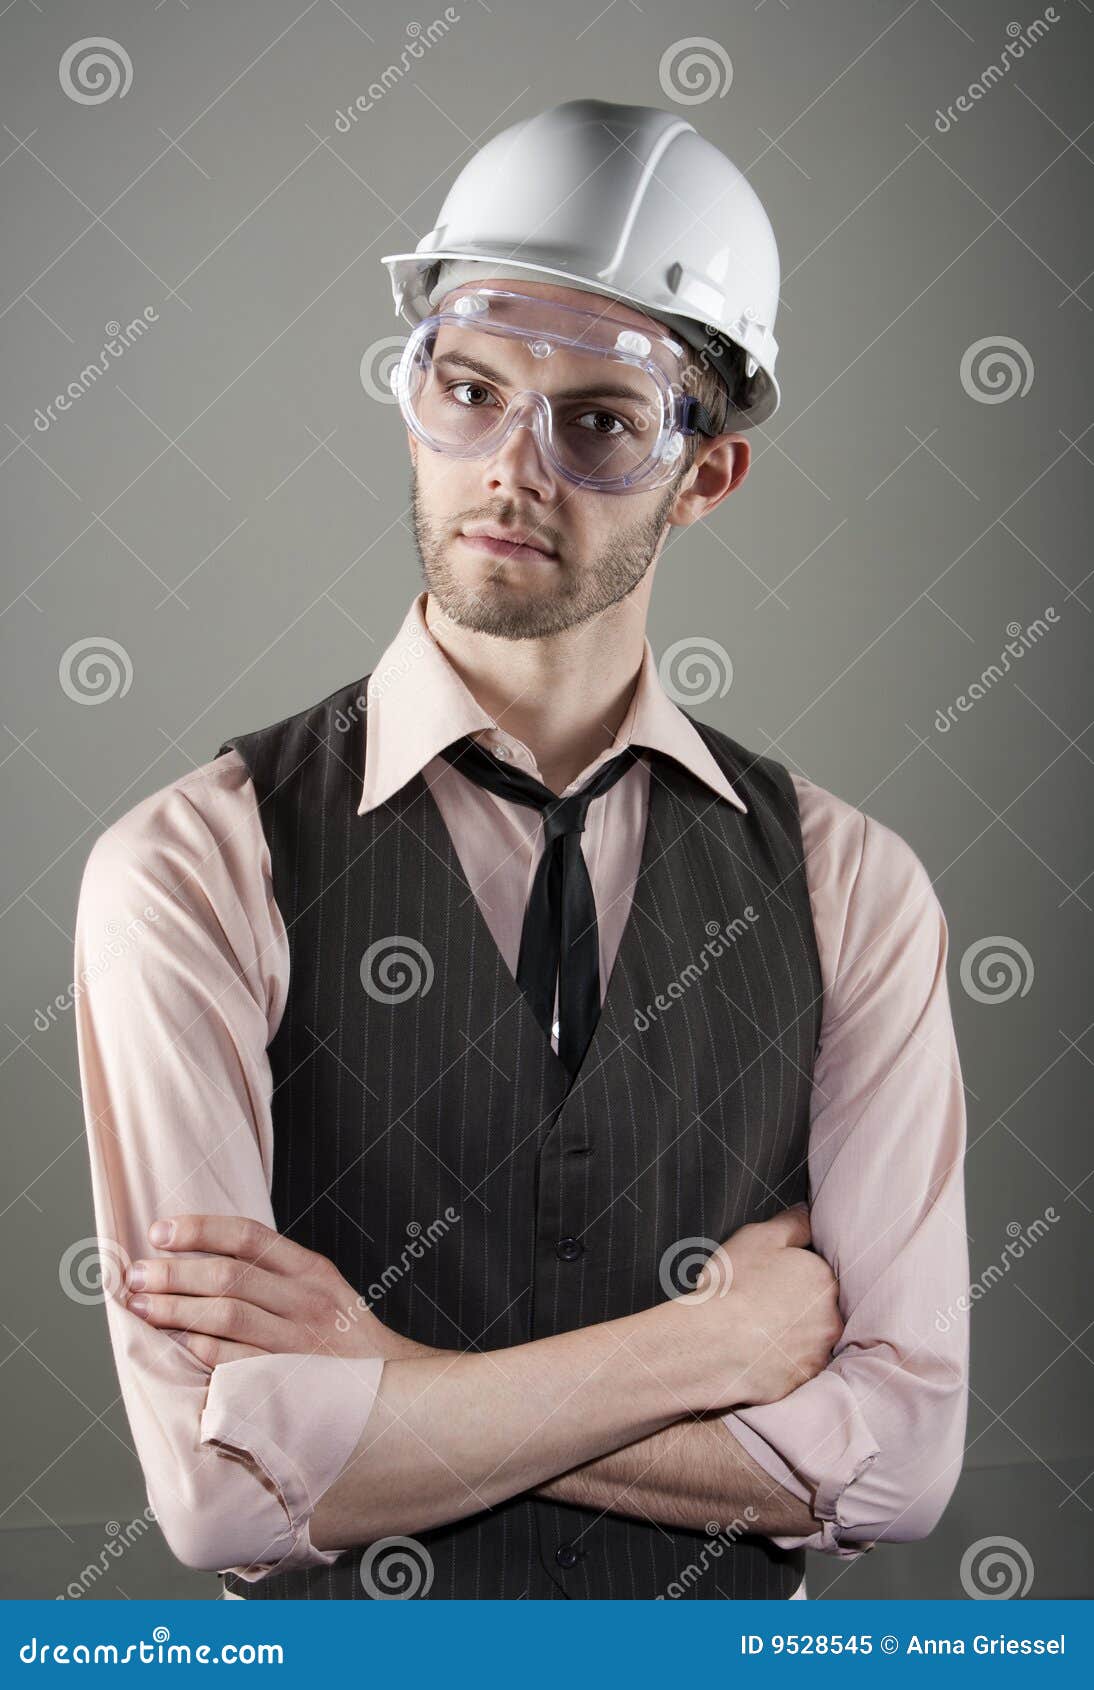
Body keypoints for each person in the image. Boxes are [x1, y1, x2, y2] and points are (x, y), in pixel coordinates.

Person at [74, 98, 969, 1601]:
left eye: (600, 422)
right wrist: (707, 1349)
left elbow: (903, 1458)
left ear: (705, 477)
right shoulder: (188, 868)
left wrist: (386, 1384)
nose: (510, 466)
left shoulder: (851, 886)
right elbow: (221, 1491)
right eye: (469, 388)